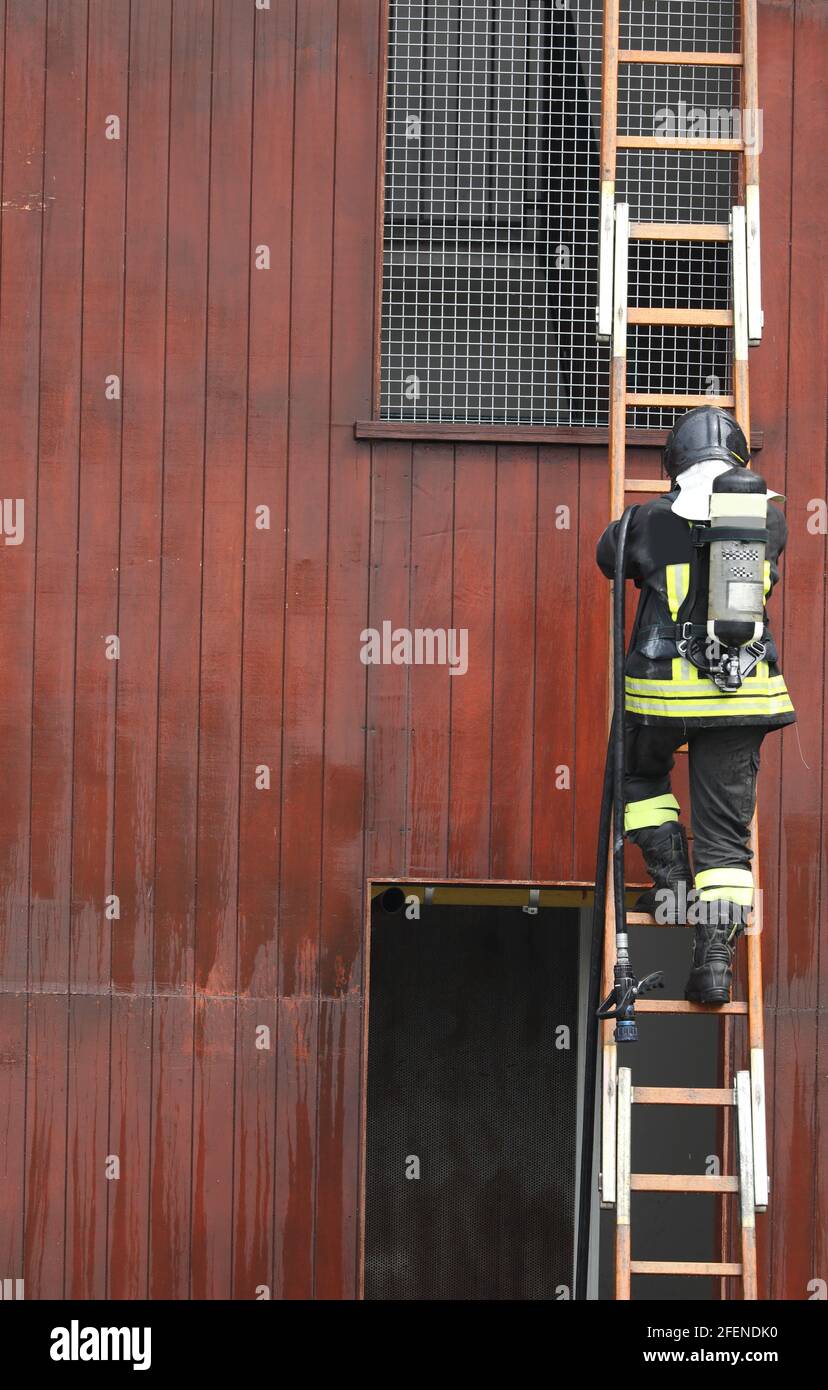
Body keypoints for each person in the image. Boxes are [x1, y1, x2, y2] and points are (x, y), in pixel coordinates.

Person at [596, 406, 795, 1005]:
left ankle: (670, 876)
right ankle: (712, 965)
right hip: (743, 698)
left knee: (636, 774)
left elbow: (609, 560)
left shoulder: (645, 523)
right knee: (728, 842)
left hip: (661, 697)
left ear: (675, 464)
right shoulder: (770, 521)